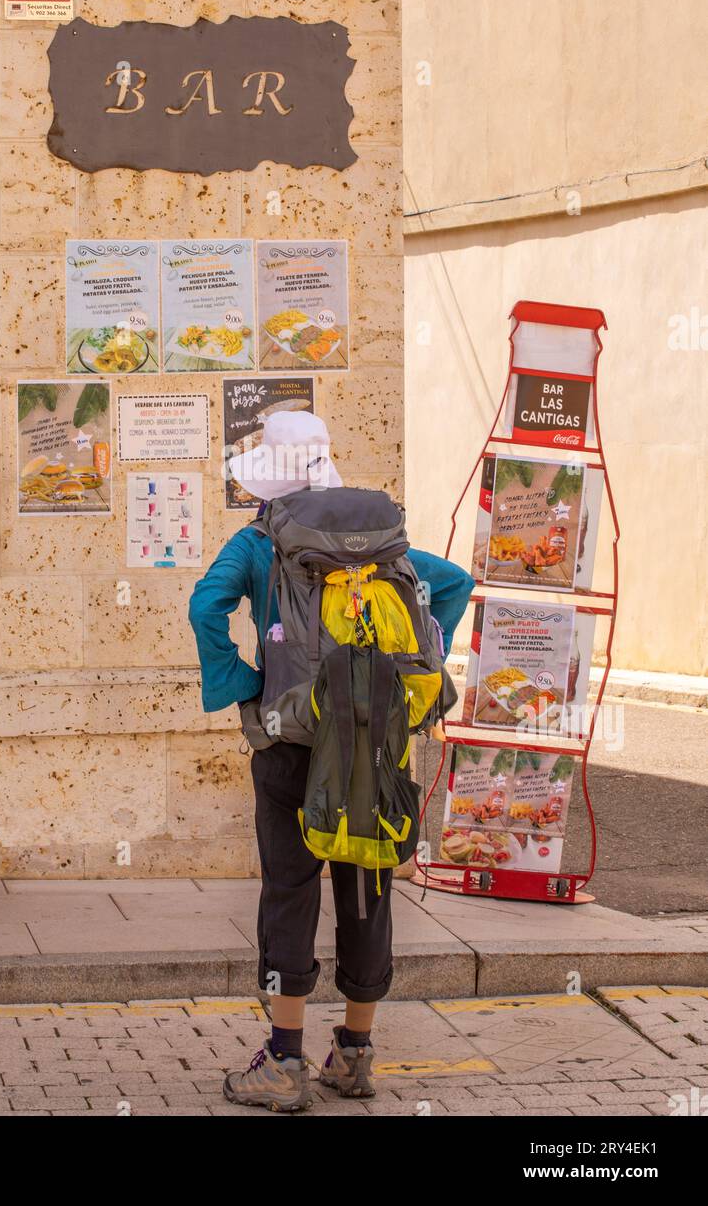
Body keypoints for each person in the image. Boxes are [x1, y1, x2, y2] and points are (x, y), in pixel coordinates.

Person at [188, 412, 473, 1111]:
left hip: (293, 746)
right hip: (375, 748)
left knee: (291, 889)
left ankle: (284, 1062)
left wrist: (243, 689)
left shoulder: (262, 542)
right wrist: (405, 684)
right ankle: (354, 1054)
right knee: (367, 890)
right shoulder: (383, 547)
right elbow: (458, 583)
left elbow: (205, 608)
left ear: (271, 483)